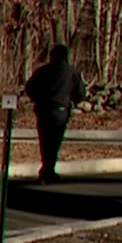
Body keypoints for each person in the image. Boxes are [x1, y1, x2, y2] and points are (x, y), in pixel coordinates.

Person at [25, 43, 87, 183]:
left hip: (44, 109)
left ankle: (47, 170)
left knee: (45, 141)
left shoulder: (42, 71)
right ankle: (48, 170)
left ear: (52, 56)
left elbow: (30, 87)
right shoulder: (73, 73)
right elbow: (80, 93)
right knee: (55, 142)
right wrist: (73, 100)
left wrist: (37, 99)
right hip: (61, 110)